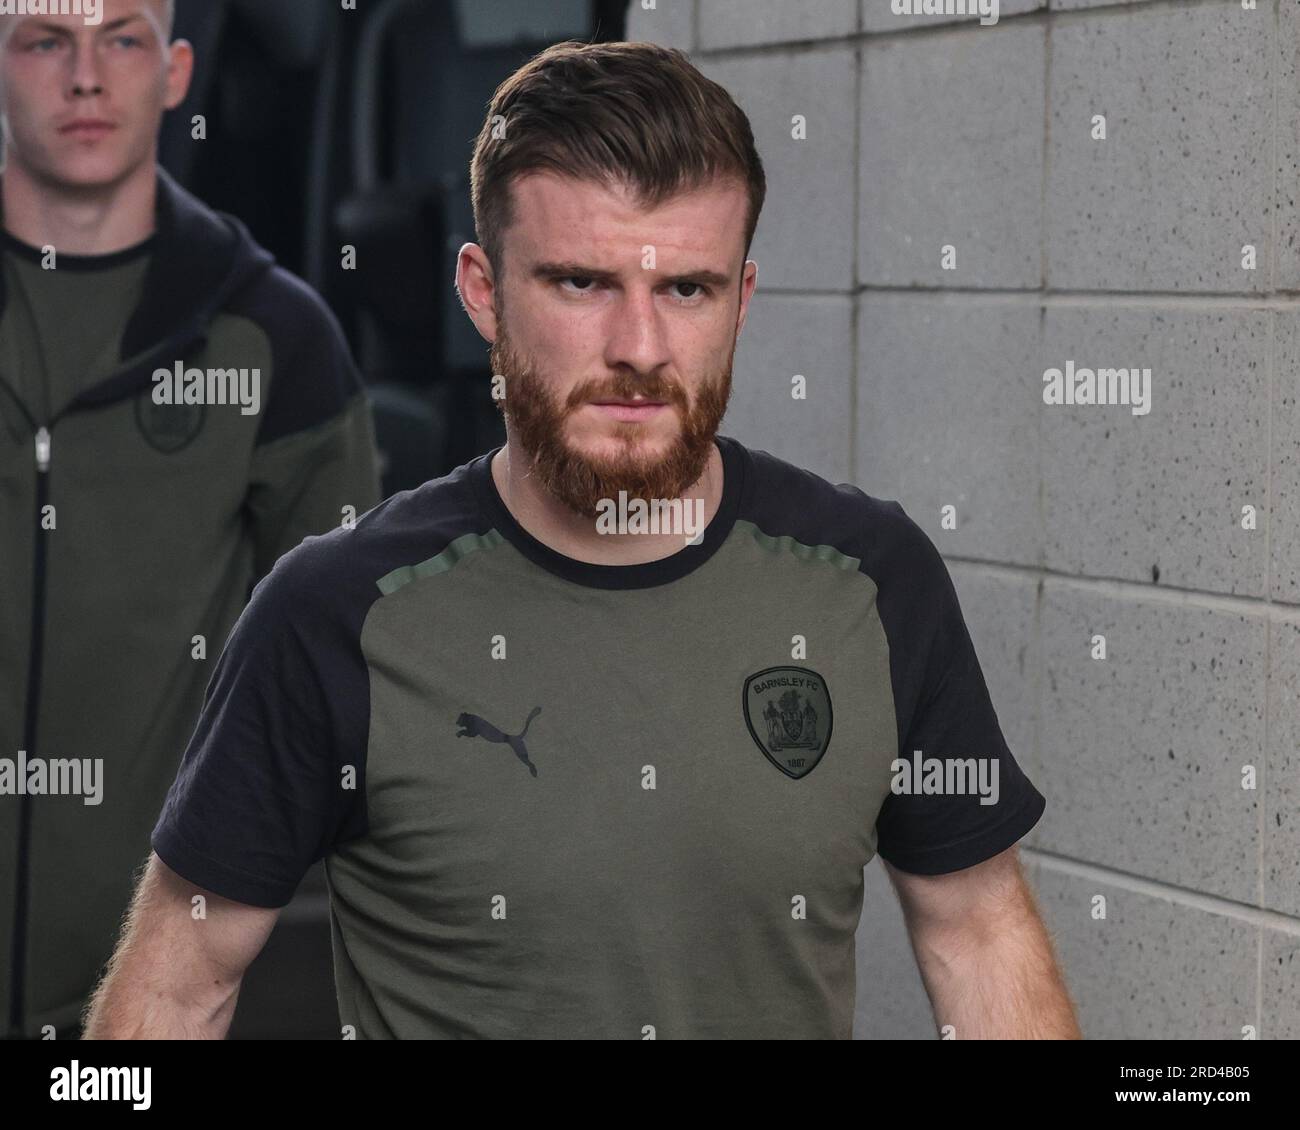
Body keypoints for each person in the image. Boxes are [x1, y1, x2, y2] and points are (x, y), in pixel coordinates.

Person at [86, 39, 1077, 1040]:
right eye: (581, 283)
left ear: (741, 297)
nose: (639, 349)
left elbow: (976, 929)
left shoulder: (873, 579)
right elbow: (178, 986)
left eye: (686, 289)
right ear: (482, 290)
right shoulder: (335, 612)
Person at [0, 0, 381, 1038]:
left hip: (141, 1005)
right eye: (45, 40)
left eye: (119, 39)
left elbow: (352, 669)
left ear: (173, 73)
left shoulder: (273, 339)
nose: (86, 77)